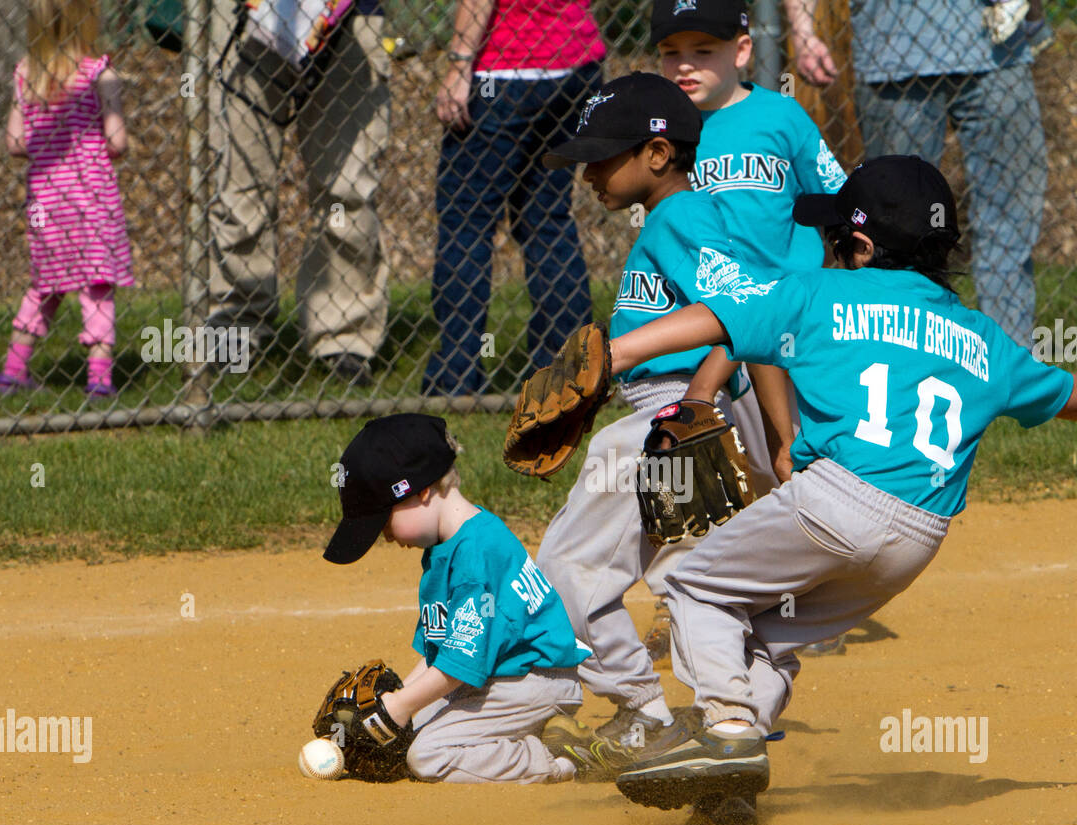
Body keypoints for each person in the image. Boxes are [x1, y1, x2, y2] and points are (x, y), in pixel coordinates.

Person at [601, 155, 1077, 823]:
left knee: (697, 587)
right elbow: (1069, 394)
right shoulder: (983, 340)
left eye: (837, 236)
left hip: (834, 500)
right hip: (917, 535)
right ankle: (729, 783)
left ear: (861, 246)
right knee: (773, 633)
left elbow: (717, 319)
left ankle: (727, 731)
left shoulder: (820, 294)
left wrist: (616, 356)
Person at [531, 73, 784, 776]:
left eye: (603, 156)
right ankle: (727, 721)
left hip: (671, 417)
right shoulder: (681, 221)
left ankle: (643, 715)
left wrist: (700, 394)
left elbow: (749, 313)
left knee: (567, 567)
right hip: (672, 416)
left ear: (659, 154)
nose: (587, 173)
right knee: (692, 579)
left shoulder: (681, 219)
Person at [650, 0, 845, 658]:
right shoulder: (664, 136)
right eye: (672, 51)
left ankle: (797, 602)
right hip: (707, 327)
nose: (685, 65)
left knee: (790, 463)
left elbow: (834, 201)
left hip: (780, 330)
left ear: (740, 52)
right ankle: (722, 601)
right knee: (712, 470)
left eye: (702, 50)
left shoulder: (779, 117)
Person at [322, 413, 592, 783]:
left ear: (422, 491)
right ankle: (527, 737)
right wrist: (401, 701)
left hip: (535, 681)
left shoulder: (474, 555)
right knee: (413, 730)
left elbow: (458, 665)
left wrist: (397, 707)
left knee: (428, 755)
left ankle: (558, 758)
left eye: (384, 522)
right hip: (499, 676)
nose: (384, 536)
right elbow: (440, 651)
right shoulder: (448, 545)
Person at [786, 0, 1046, 348]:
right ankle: (897, 347)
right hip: (894, 55)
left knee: (1010, 216)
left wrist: (1033, 17)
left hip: (999, 52)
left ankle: (1007, 356)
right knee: (886, 229)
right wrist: (803, 30)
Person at [206, 1, 390, 388]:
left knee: (345, 189)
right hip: (247, 14)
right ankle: (234, 327)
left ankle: (345, 334)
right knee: (240, 182)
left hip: (350, 16)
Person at [428, 0, 605, 394]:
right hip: (575, 62)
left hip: (505, 66)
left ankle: (456, 377)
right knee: (548, 221)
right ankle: (567, 375)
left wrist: (458, 65)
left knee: (466, 222)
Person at [0, 0, 132, 398]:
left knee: (44, 283)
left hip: (43, 206)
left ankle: (13, 370)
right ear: (88, 21)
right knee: (97, 284)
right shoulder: (99, 74)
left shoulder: (25, 73)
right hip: (92, 202)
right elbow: (117, 142)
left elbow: (15, 143)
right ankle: (100, 379)